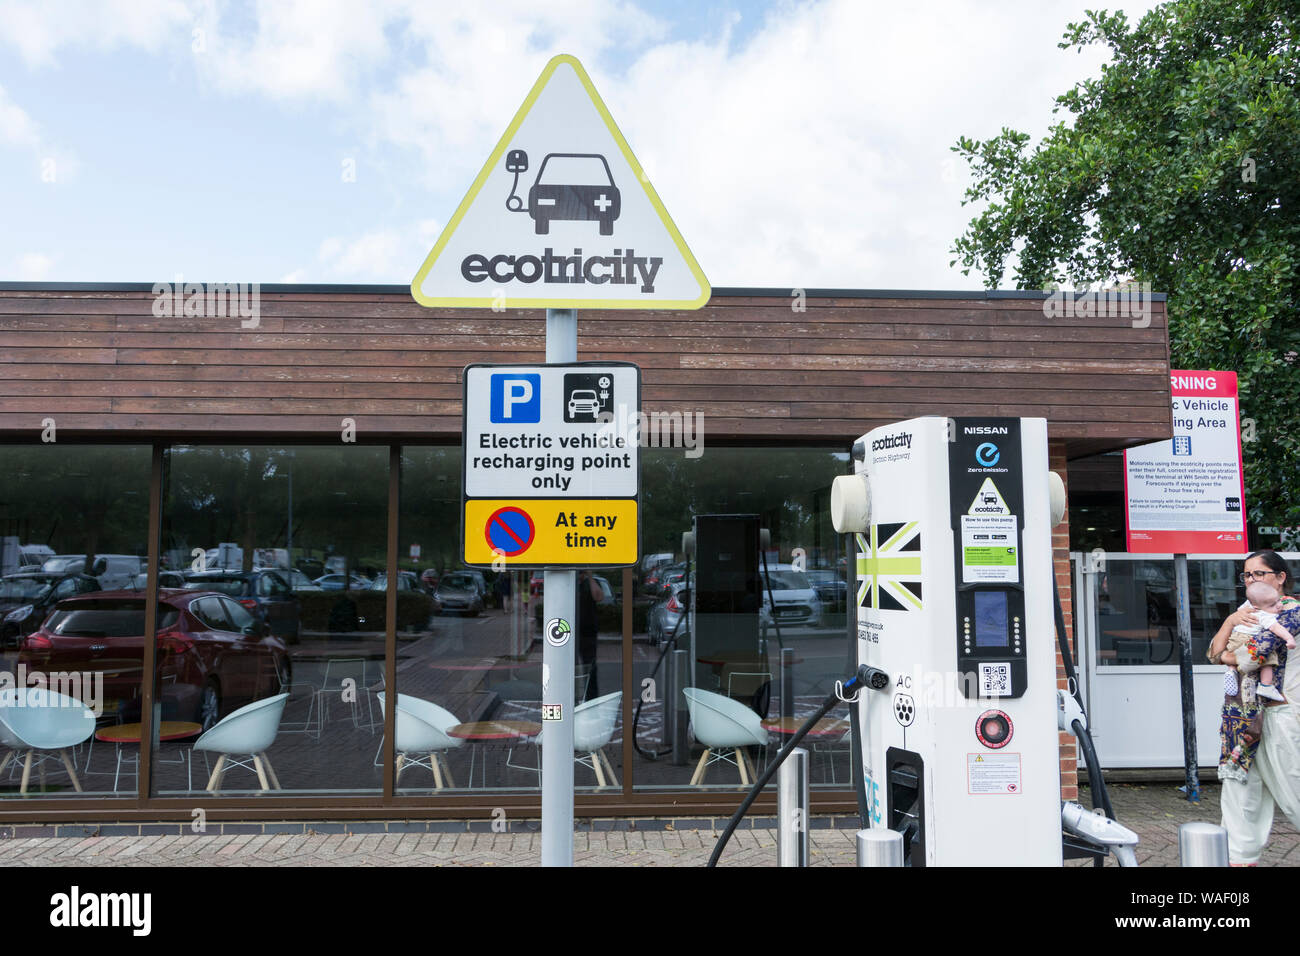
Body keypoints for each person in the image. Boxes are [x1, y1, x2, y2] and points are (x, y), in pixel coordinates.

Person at [1208, 550, 1300, 864]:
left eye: (1258, 573)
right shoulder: (1243, 612)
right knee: (1241, 793)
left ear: (1280, 577)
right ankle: (1239, 861)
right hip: (1240, 716)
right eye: (1246, 575)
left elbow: (1255, 653)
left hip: (1279, 715)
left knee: (1294, 789)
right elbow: (1211, 651)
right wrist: (1231, 621)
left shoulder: (1293, 611)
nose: (1251, 580)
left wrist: (1226, 652)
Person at [1225, 581, 1296, 703]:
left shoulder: (1248, 606)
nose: (1279, 606)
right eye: (1272, 605)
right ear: (1257, 607)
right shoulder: (1264, 615)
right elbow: (1276, 628)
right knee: (1268, 657)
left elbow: (1239, 609)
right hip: (1249, 639)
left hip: (1235, 637)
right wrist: (1289, 638)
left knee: (1234, 655)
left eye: (1278, 601)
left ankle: (1231, 670)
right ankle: (1266, 686)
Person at [576, 569, 602, 702]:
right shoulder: (569, 584)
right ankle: (572, 698)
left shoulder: (590, 583)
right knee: (570, 668)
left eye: (581, 572)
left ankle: (591, 699)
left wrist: (590, 576)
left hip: (588, 633)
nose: (579, 575)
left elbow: (598, 596)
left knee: (590, 667)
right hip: (571, 634)